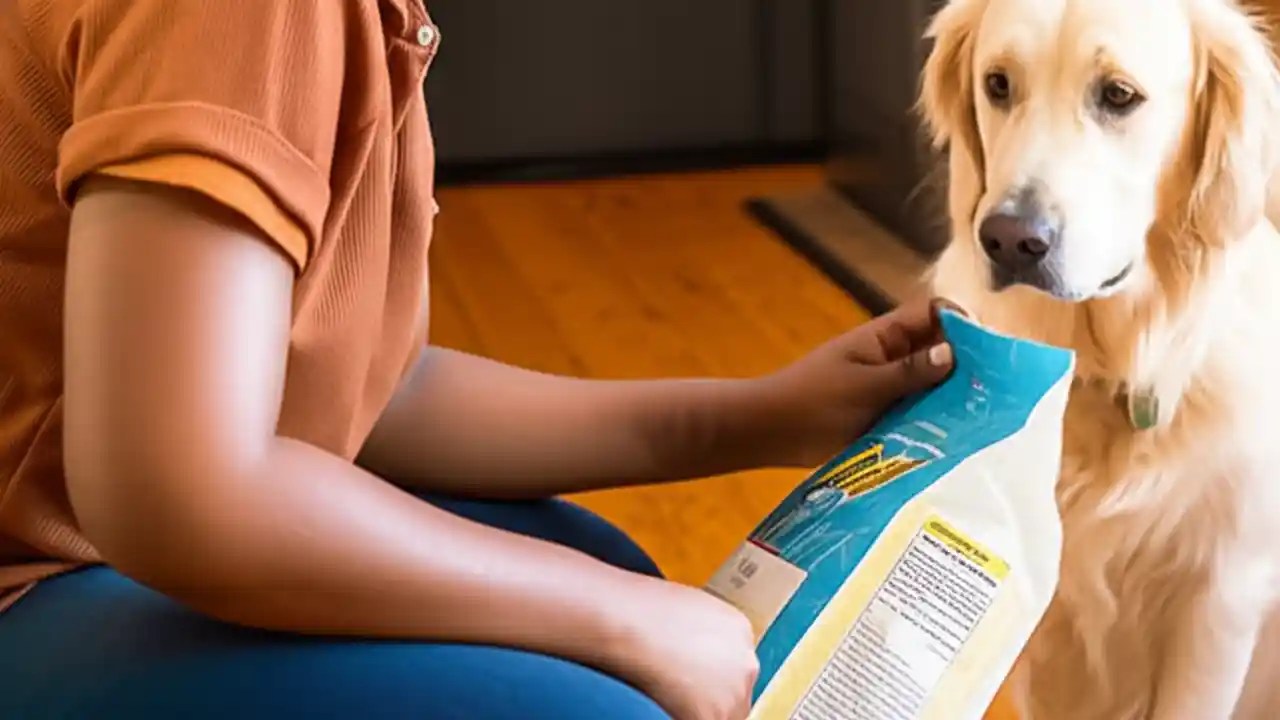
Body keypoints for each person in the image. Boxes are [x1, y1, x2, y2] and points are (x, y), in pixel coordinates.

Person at [0, 2, 957, 718]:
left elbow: (373, 387)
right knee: (609, 696)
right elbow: (178, 487)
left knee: (597, 566)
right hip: (39, 582)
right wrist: (618, 618)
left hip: (103, 547)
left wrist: (755, 416)